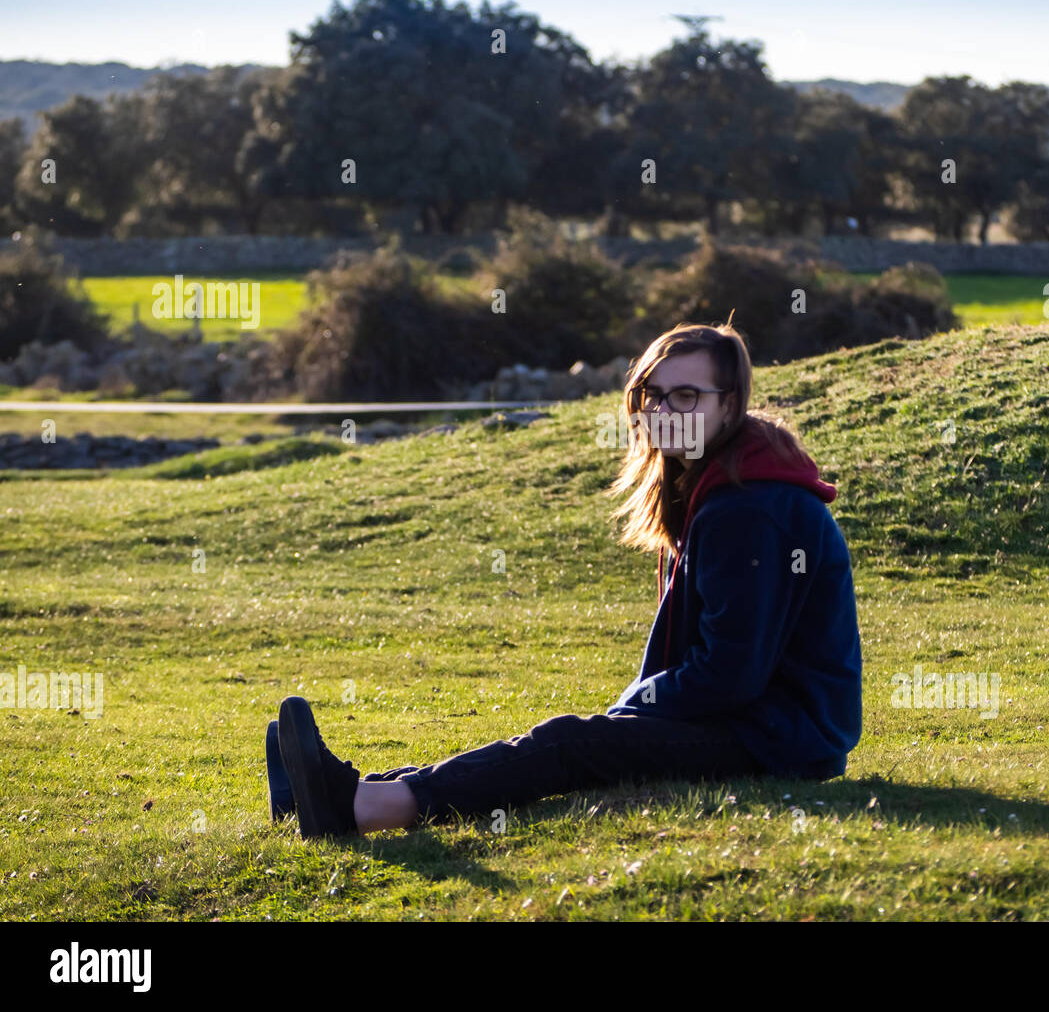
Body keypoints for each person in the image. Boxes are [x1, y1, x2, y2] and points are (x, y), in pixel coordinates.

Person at [267, 320, 863, 839]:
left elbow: (730, 674)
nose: (661, 412)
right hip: (756, 726)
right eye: (650, 395)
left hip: (779, 741)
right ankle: (336, 795)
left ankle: (356, 807)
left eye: (686, 396)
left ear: (729, 406)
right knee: (575, 742)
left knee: (570, 743)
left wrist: (633, 707)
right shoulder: (721, 489)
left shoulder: (748, 509)